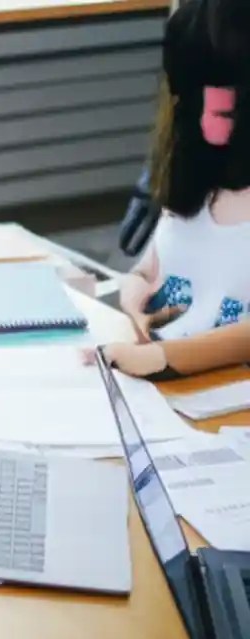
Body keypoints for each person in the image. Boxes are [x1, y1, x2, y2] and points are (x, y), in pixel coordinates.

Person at [97, 0, 250, 378]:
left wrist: (168, 359)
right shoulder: (195, 178)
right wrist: (135, 293)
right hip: (175, 400)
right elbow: (147, 272)